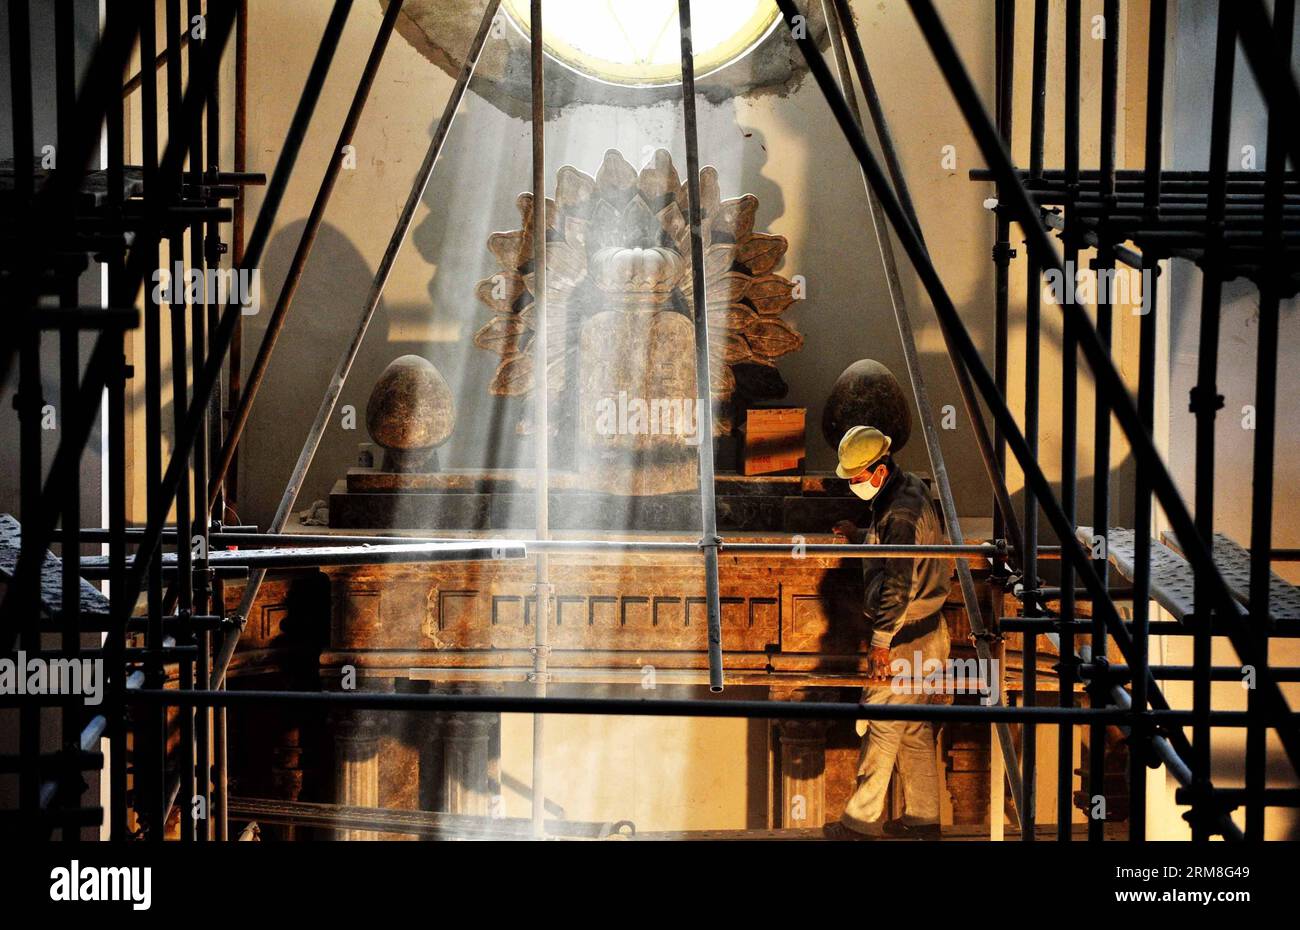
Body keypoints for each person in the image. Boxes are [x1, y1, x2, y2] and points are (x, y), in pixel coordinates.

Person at [824, 425, 953, 840]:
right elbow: (902, 551)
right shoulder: (907, 489)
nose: (853, 486)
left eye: (857, 479)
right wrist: (860, 536)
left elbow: (899, 583)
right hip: (929, 632)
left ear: (879, 470)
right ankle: (923, 818)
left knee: (880, 724)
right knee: (913, 726)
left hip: (906, 636)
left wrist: (880, 643)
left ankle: (859, 823)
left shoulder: (899, 513)